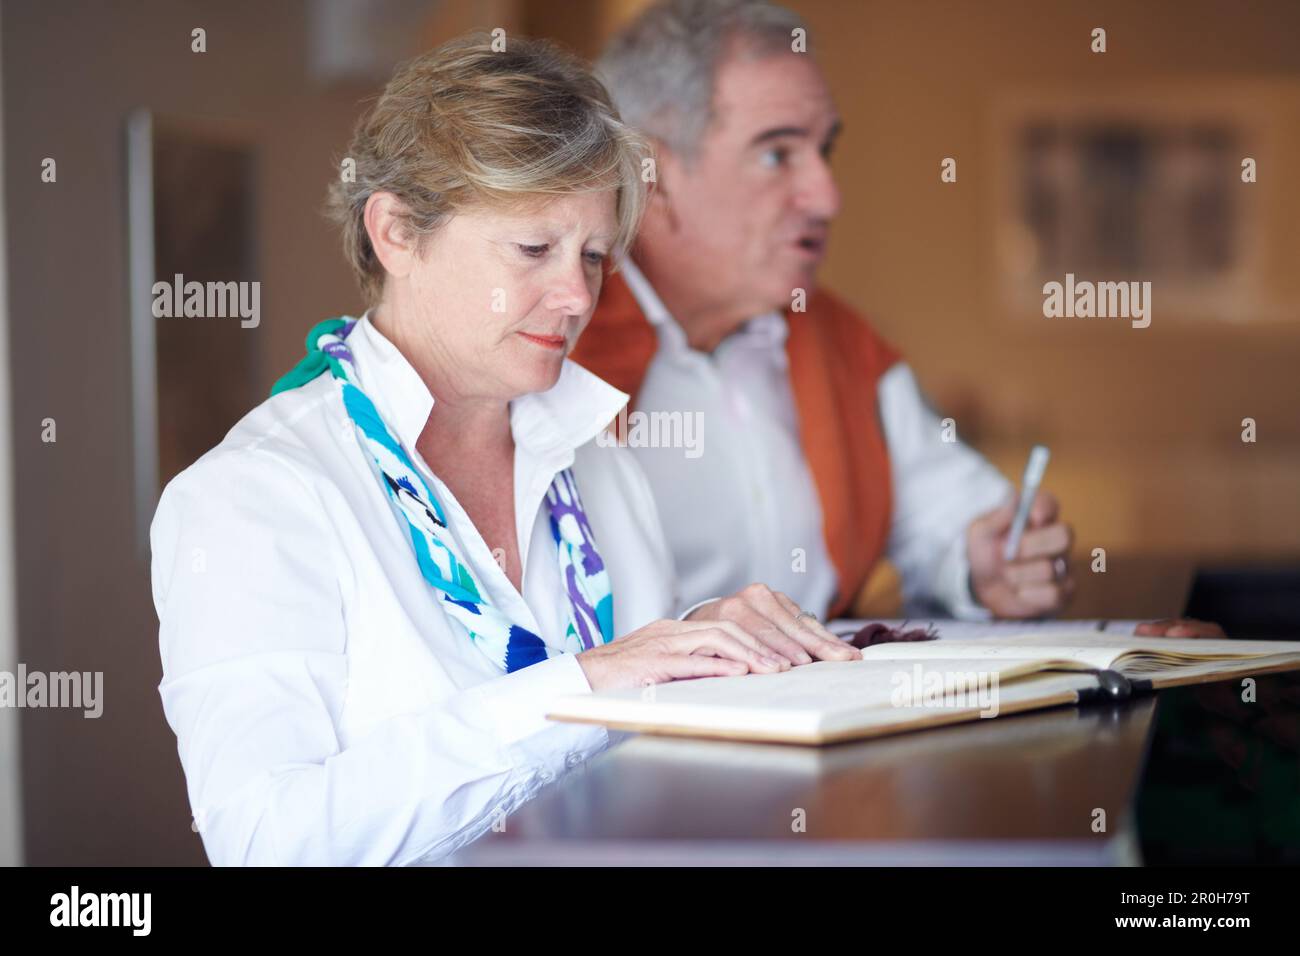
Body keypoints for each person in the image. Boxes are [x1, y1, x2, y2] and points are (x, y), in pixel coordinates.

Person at [150, 34, 857, 867]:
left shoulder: (601, 463)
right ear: (397, 232)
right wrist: (582, 687)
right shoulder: (252, 496)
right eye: (533, 250)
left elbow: (651, 758)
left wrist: (701, 651)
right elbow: (268, 840)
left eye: (594, 257)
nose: (576, 297)